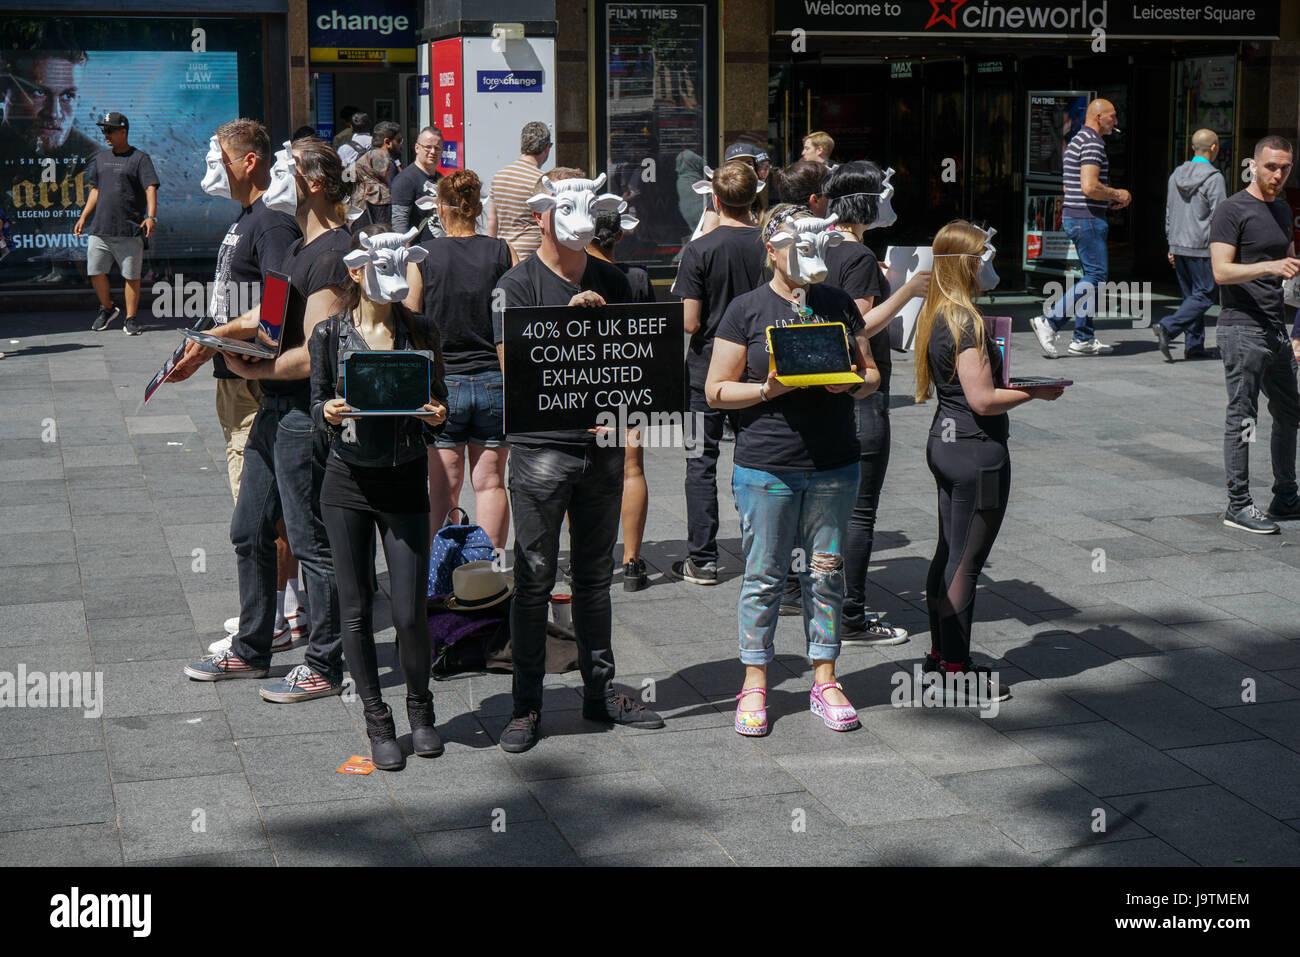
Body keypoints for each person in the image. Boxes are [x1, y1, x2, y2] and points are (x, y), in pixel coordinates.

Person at [491, 167, 664, 753]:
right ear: (540, 214)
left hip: (603, 448)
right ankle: (526, 705)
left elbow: (642, 366)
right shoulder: (515, 288)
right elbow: (513, 373)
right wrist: (569, 324)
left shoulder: (622, 281)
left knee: (594, 578)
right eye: (561, 210)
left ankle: (599, 690)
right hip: (542, 452)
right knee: (534, 577)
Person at [177, 119, 345, 704]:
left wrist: (254, 369)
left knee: (308, 538)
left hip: (303, 413)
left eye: (284, 171)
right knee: (248, 527)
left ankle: (325, 662)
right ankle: (253, 650)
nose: (272, 177)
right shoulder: (297, 247)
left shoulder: (333, 252)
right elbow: (269, 319)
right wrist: (220, 339)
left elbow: (317, 352)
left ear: (312, 183)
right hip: (274, 409)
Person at [707, 203, 878, 737]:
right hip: (768, 466)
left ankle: (825, 677)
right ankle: (754, 679)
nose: (808, 256)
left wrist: (849, 382)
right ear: (772, 249)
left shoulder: (838, 302)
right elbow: (715, 390)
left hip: (833, 462)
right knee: (763, 574)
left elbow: (870, 374)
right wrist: (765, 390)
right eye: (797, 246)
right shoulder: (746, 310)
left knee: (826, 573)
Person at [311, 224, 449, 770]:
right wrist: (327, 412)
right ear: (355, 272)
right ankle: (377, 720)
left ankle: (421, 710)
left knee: (411, 610)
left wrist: (439, 415)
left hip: (404, 479)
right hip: (346, 481)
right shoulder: (328, 335)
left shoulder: (421, 332)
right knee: (355, 609)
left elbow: (439, 402)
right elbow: (316, 402)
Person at [781, 160, 930, 643]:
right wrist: (908, 289)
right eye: (883, 194)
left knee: (816, 507)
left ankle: (800, 592)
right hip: (859, 395)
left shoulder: (821, 247)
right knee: (859, 510)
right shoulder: (859, 257)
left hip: (817, 391)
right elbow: (858, 325)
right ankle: (849, 613)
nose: (890, 202)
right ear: (866, 203)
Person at [916, 221, 1063, 700]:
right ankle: (957, 669)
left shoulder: (939, 313)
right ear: (967, 264)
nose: (991, 264)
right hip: (978, 451)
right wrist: (1034, 392)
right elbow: (982, 399)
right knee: (966, 562)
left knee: (948, 552)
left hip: (946, 441)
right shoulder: (967, 321)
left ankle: (941, 657)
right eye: (985, 256)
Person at [402, 169, 515, 547]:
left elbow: (410, 317)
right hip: (494, 382)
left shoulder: (423, 256)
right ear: (478, 207)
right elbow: (513, 318)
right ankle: (491, 573)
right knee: (491, 484)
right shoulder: (502, 252)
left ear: (439, 208)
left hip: (443, 386)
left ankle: (442, 574)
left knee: (444, 491)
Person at [669, 161, 766, 585]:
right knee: (759, 460)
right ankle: (762, 552)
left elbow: (690, 322)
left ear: (714, 198)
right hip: (760, 367)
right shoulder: (770, 245)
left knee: (699, 462)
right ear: (755, 197)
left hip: (705, 368)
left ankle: (703, 559)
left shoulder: (700, 249)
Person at [1209, 135, 1300, 534]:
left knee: (1291, 410)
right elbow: (1221, 271)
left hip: (1275, 327)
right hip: (1241, 327)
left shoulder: (1282, 209)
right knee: (1243, 416)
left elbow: (1290, 266)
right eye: (1271, 166)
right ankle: (1238, 504)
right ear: (1253, 165)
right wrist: (1269, 267)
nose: (1278, 174)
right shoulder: (1232, 209)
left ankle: (1285, 495)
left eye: (1285, 168)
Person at [1031, 98, 1130, 358]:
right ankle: (1050, 321)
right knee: (1096, 277)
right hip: (1086, 219)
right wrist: (1118, 194)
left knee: (1089, 276)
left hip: (1077, 216)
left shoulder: (1076, 140)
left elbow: (1071, 187)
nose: (1116, 122)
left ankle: (1083, 338)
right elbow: (1089, 187)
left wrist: (1105, 198)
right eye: (1112, 116)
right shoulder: (1093, 143)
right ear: (1098, 117)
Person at [587, 207, 654, 590]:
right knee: (632, 469)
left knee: (579, 470)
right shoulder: (637, 277)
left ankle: (588, 556)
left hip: (580, 382)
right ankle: (631, 561)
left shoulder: (574, 275)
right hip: (629, 379)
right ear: (620, 237)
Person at [74, 111, 158, 336]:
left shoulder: (140, 159)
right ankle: (107, 308)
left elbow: (150, 187)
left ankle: (130, 319)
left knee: (132, 277)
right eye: (104, 130)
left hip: (129, 230)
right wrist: (83, 217)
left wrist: (151, 216)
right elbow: (95, 189)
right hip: (100, 229)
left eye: (110, 130)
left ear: (124, 131)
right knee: (95, 272)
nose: (106, 134)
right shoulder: (101, 158)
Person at [1158, 129, 1226, 361]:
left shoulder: (1175, 175)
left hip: (1178, 244)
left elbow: (1169, 212)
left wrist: (1171, 244)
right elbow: (1220, 217)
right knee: (1205, 294)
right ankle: (1168, 326)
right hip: (1202, 247)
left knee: (1192, 298)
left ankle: (1194, 346)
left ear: (1192, 148)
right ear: (1214, 148)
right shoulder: (1214, 178)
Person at [486, 121, 551, 262]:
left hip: (504, 257)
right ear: (547, 148)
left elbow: (492, 220)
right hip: (532, 260)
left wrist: (491, 257)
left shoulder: (499, 175)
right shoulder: (542, 181)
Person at [391, 125, 443, 238]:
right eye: (428, 147)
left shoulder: (441, 179)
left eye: (437, 148)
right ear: (417, 148)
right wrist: (404, 251)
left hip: (440, 248)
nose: (433, 152)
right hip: (418, 251)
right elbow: (399, 222)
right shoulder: (405, 180)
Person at [348, 120, 401, 229]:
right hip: (380, 215)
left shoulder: (365, 157)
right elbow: (396, 188)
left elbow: (346, 176)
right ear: (387, 142)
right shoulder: (385, 159)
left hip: (358, 213)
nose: (401, 145)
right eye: (399, 140)